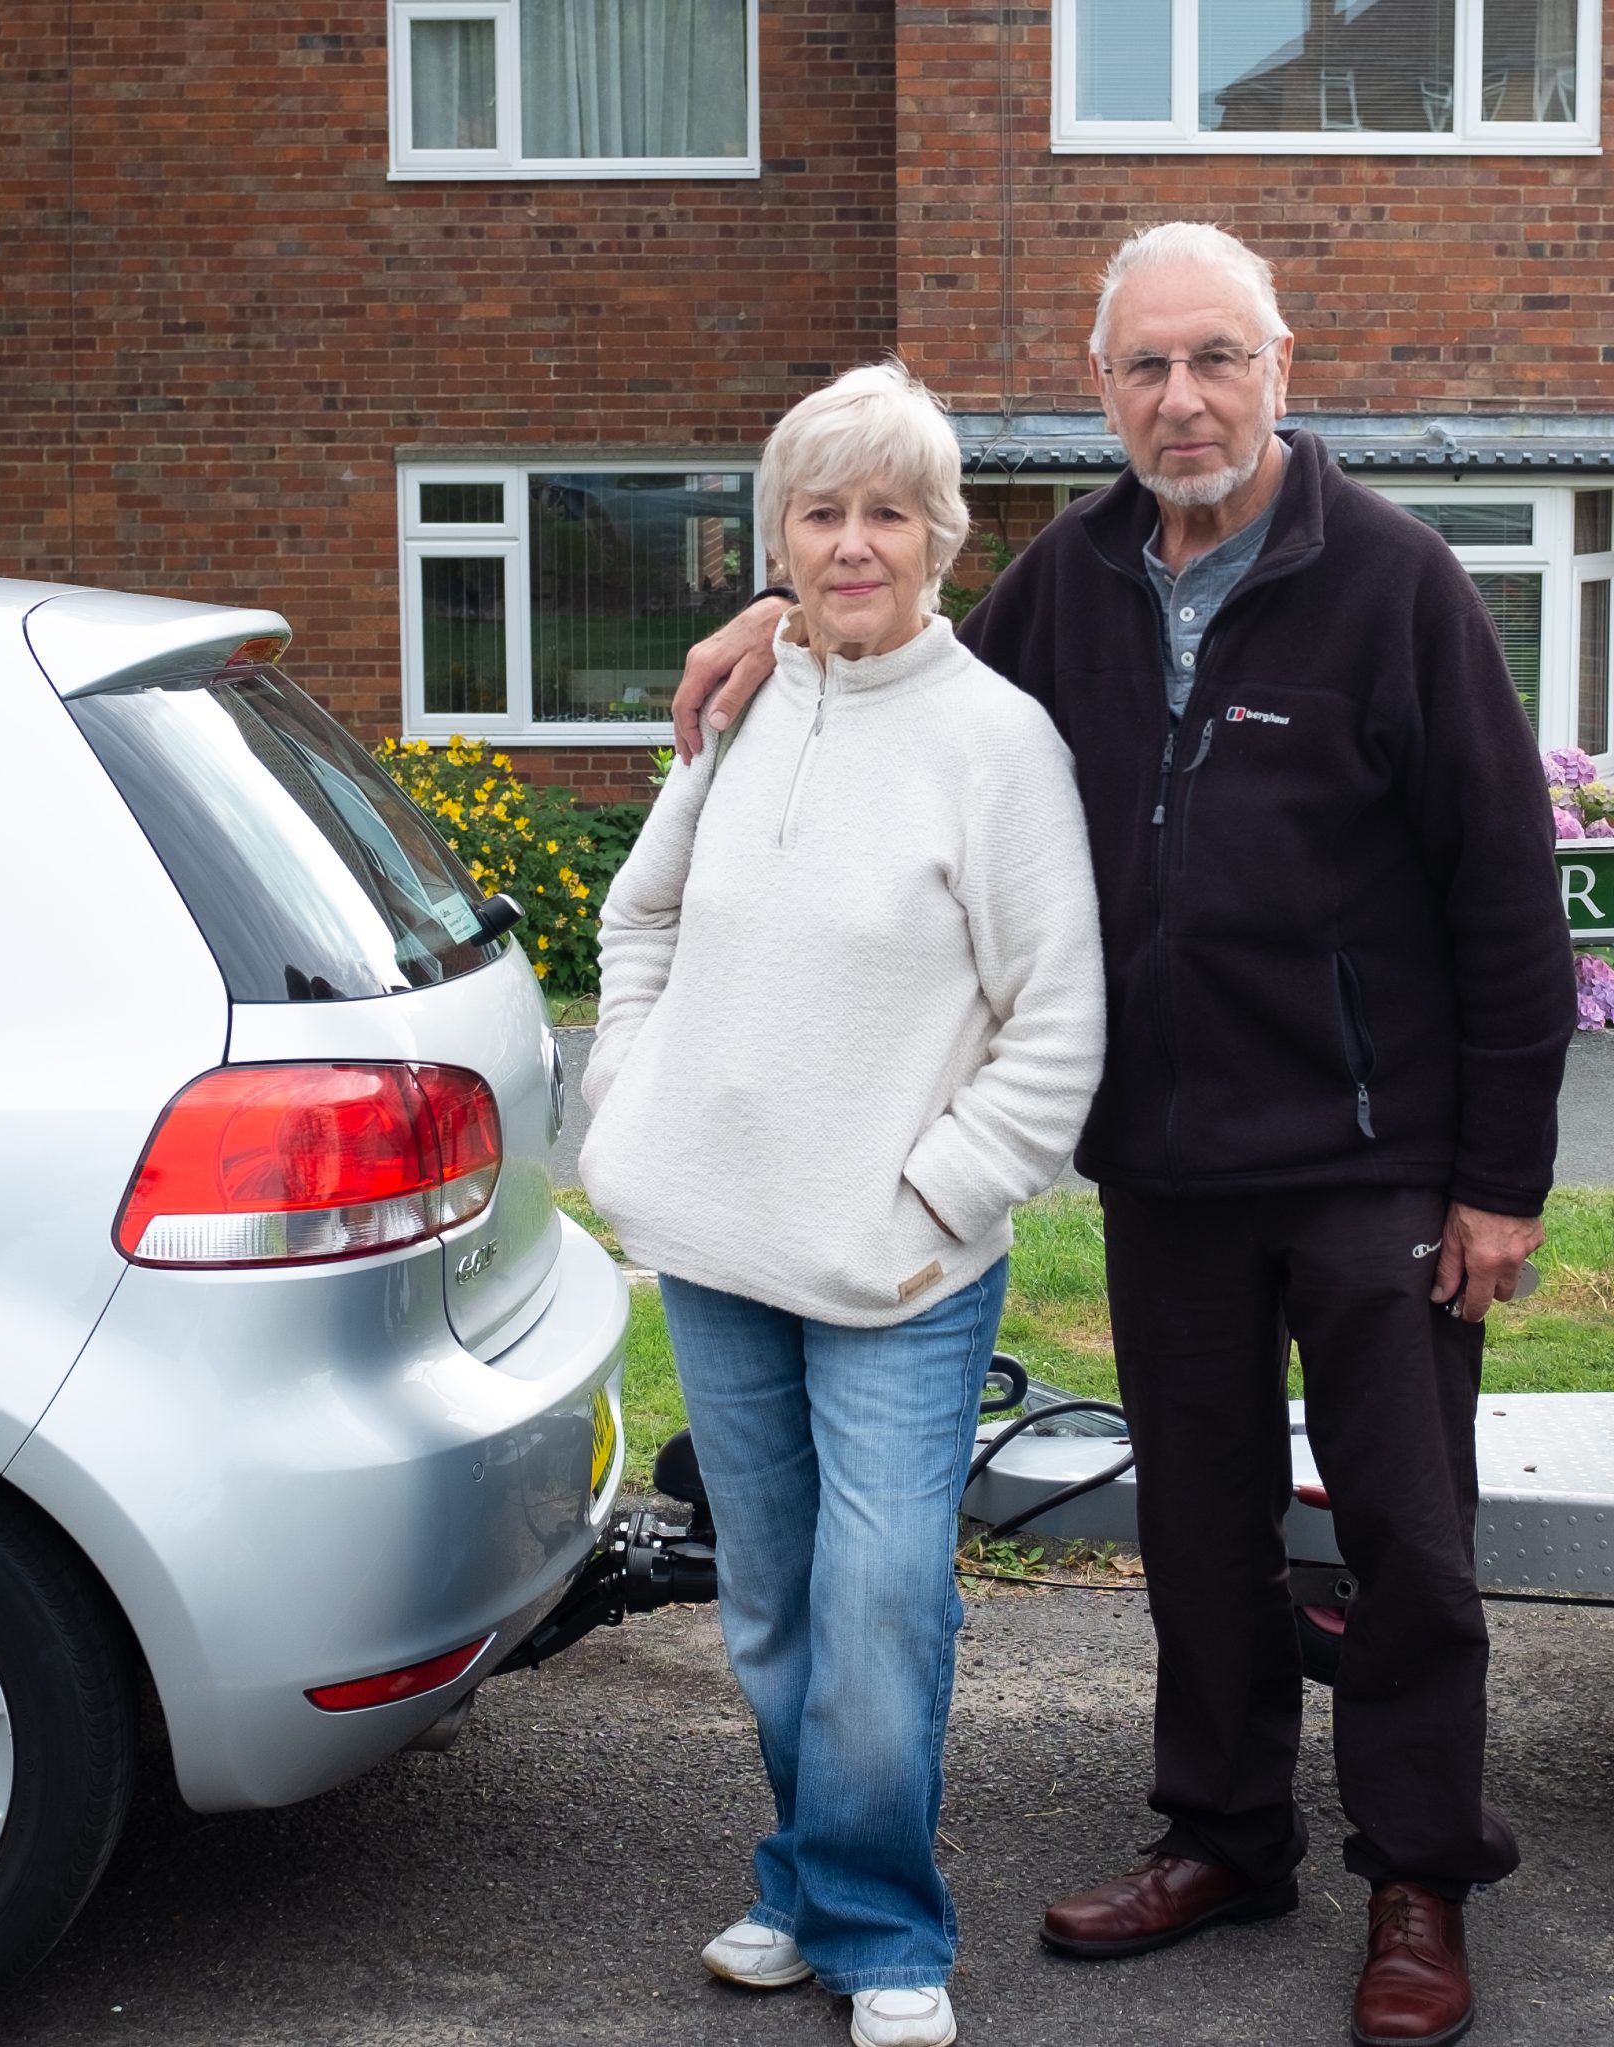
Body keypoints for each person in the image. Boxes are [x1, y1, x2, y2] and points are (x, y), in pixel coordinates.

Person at [666, 223, 1575, 2047]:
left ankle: (1416, 1873)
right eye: (1148, 368)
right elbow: (901, 656)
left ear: (1281, 369)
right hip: (1161, 1162)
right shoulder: (1069, 585)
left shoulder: (1395, 586)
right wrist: (776, 615)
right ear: (1103, 392)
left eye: (1216, 360)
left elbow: (1504, 901)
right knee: (1203, 1525)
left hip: (1373, 1160)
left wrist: (1500, 1181)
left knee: (1404, 1533)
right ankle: (1226, 1833)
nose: (1184, 399)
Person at [578, 361, 1105, 2047]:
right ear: (780, 540)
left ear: (942, 535)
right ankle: (807, 1882)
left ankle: (881, 1930)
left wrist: (929, 1201)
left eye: (889, 511)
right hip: (721, 1246)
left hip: (896, 1271)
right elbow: (637, 923)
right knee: (777, 1599)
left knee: (884, 1603)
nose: (854, 543)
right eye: (824, 512)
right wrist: (627, 1114)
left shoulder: (995, 743)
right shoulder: (740, 712)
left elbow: (1057, 1029)